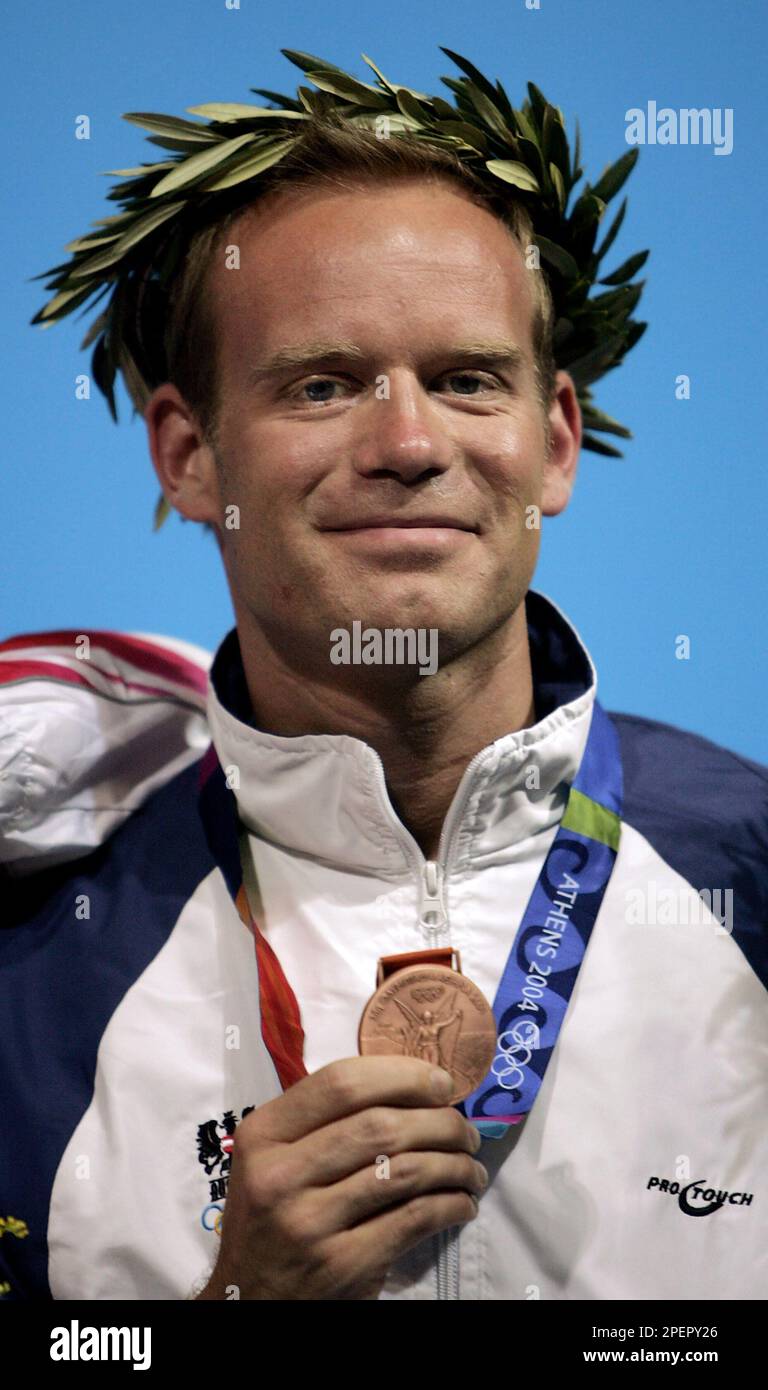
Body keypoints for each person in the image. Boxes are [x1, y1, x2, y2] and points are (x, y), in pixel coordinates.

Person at [2, 49, 766, 1302]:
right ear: (191, 455)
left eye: (466, 379)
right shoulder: (38, 958)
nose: (409, 444)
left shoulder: (750, 865)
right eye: (324, 384)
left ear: (555, 441)